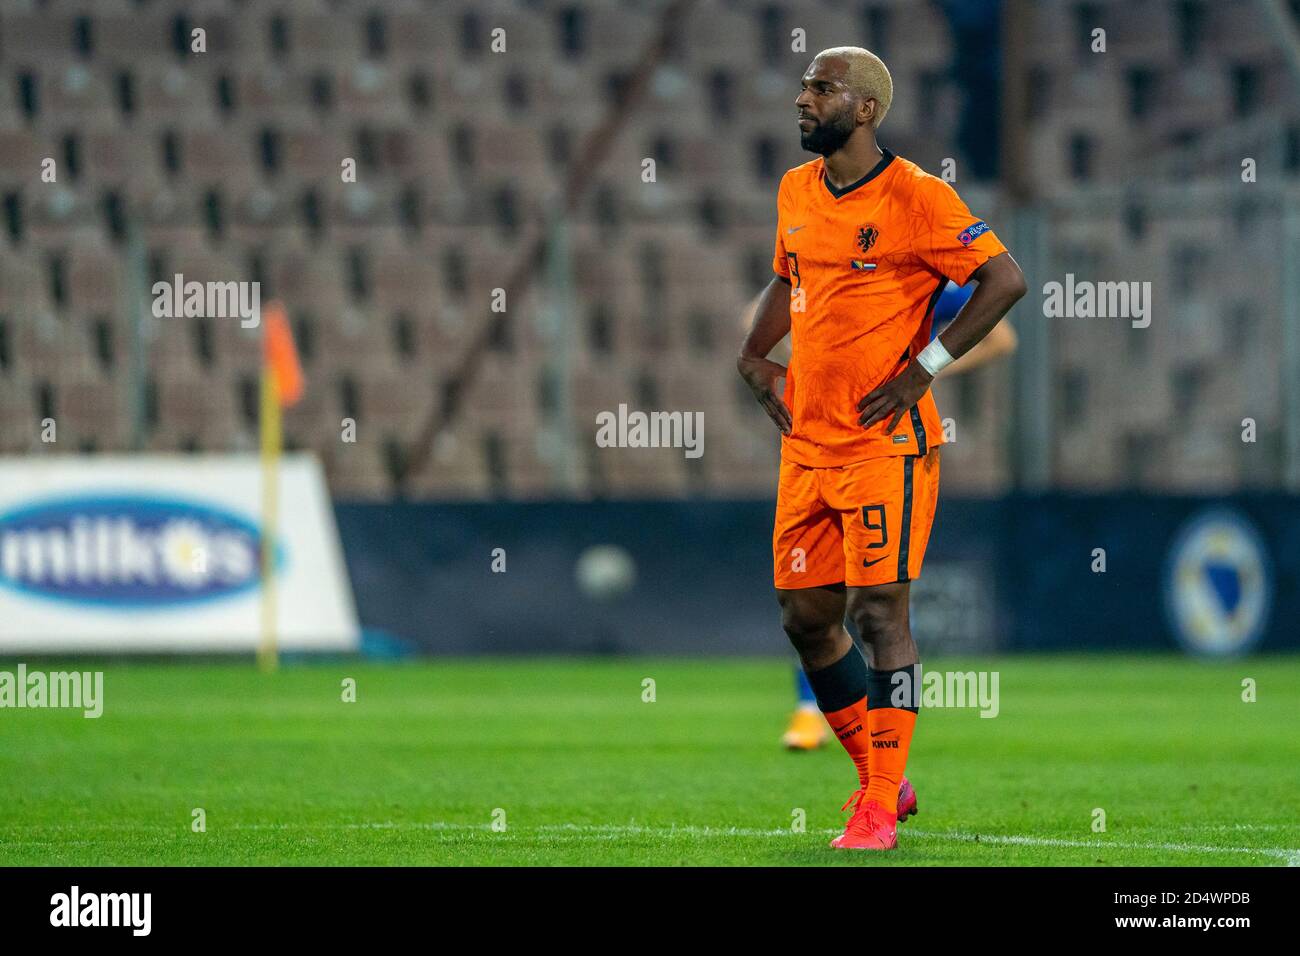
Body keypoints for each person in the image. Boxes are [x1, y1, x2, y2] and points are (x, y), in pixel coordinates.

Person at [737, 47, 1026, 850]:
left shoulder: (918, 197)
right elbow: (784, 277)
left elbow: (1005, 279)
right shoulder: (796, 190)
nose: (801, 98)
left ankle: (875, 807)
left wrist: (922, 371)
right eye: (802, 84)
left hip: (884, 446)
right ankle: (883, 782)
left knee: (880, 614)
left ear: (864, 108)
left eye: (819, 87)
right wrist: (753, 353)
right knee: (805, 618)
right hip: (807, 444)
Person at [780, 279, 1018, 751]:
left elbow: (1002, 338)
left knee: (871, 601)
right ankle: (814, 711)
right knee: (816, 600)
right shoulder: (830, 260)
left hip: (893, 438)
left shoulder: (918, 277)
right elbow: (759, 316)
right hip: (825, 438)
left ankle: (865, 747)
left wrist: (923, 367)